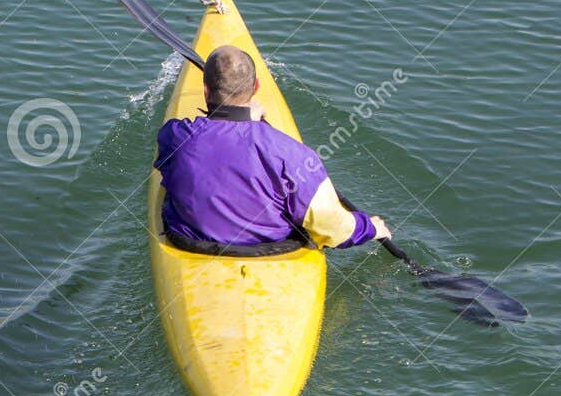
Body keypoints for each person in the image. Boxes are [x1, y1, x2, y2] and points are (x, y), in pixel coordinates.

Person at [155, 46, 389, 249]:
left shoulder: (175, 136)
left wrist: (241, 121)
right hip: (267, 250)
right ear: (256, 87)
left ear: (205, 90)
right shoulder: (295, 155)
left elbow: (218, 144)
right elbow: (334, 229)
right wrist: (369, 228)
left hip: (192, 245)